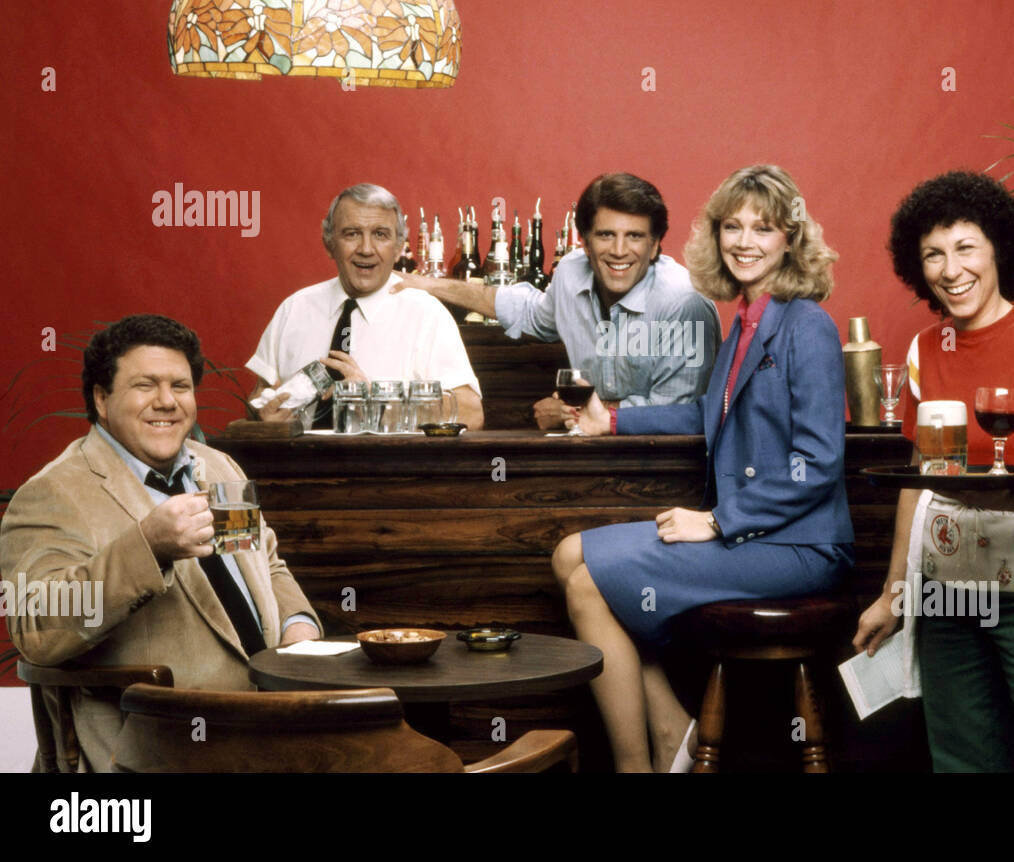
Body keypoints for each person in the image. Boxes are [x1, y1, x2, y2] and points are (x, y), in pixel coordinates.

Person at [551, 165, 852, 772]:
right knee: (566, 555)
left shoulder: (807, 325)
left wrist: (718, 522)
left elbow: (817, 464)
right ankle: (670, 731)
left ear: (789, 239)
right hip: (759, 535)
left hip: (800, 546)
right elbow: (703, 412)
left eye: (763, 228)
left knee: (584, 579)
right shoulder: (742, 320)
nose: (744, 241)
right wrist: (609, 421)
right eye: (731, 226)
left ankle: (642, 763)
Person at [852, 170, 1014, 772]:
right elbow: (918, 480)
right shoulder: (922, 350)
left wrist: (976, 491)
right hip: (950, 591)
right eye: (933, 254)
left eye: (965, 247)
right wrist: (894, 592)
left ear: (998, 251)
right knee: (964, 762)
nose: (950, 268)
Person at [0, 315, 322, 772]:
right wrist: (147, 547)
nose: (167, 402)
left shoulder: (220, 466)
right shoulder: (52, 492)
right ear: (102, 399)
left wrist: (297, 625)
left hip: (267, 728)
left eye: (180, 386)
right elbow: (35, 626)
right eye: (145, 386)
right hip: (150, 751)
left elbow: (266, 563)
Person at [392, 173, 720, 430]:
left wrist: (572, 412)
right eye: (606, 235)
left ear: (655, 245)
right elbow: (526, 310)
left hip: (668, 464)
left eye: (634, 236)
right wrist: (431, 286)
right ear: (586, 242)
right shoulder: (572, 273)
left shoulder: (684, 303)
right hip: (592, 450)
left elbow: (678, 414)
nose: (619, 250)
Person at [248, 183, 484, 429]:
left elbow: (471, 414)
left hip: (390, 466)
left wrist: (375, 402)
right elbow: (259, 397)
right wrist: (263, 416)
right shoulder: (294, 308)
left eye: (380, 234)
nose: (366, 249)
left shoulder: (427, 314)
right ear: (329, 243)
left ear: (398, 247)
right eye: (352, 234)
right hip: (299, 464)